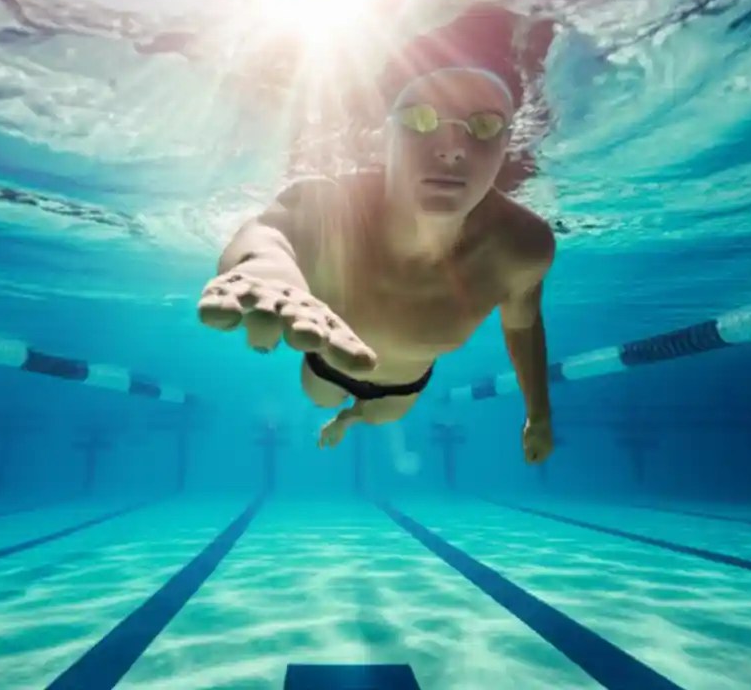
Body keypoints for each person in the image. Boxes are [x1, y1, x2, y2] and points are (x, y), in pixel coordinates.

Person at [197, 58, 558, 465]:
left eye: (485, 125)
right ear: (386, 136)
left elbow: (523, 324)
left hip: (403, 388)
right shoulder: (332, 207)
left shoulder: (521, 248)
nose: (453, 148)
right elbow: (272, 232)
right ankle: (339, 412)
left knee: (370, 417)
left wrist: (539, 416)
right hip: (325, 367)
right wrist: (263, 267)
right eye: (419, 119)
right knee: (320, 399)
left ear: (507, 142)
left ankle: (348, 419)